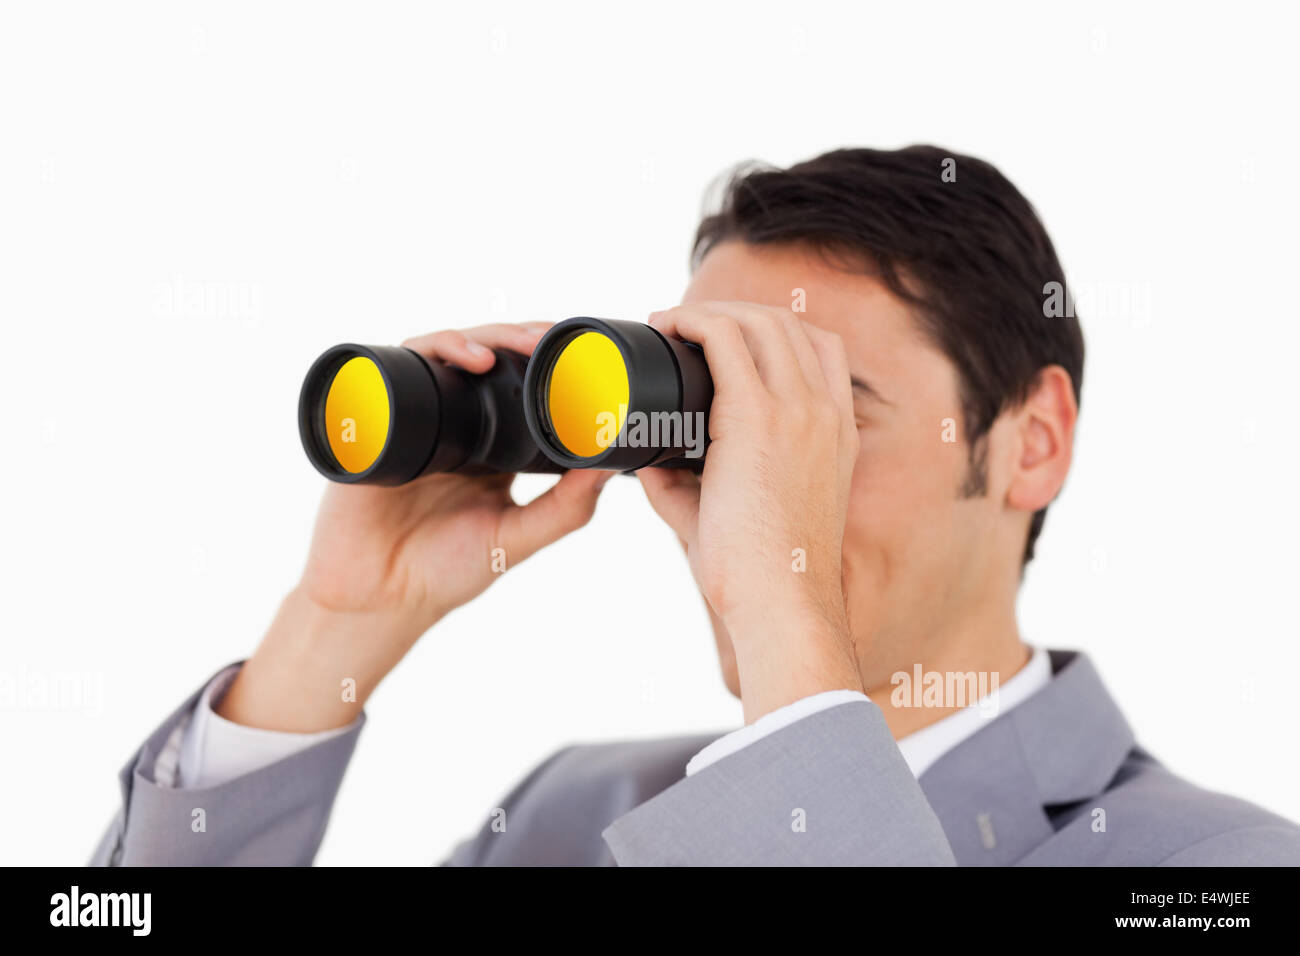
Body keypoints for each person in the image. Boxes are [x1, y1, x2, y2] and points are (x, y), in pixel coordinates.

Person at [92, 146, 1300, 865]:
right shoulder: (573, 808)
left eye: (819, 415)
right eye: (721, 419)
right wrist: (332, 636)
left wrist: (785, 607)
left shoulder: (1211, 866)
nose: (754, 484)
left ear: (1030, 444)